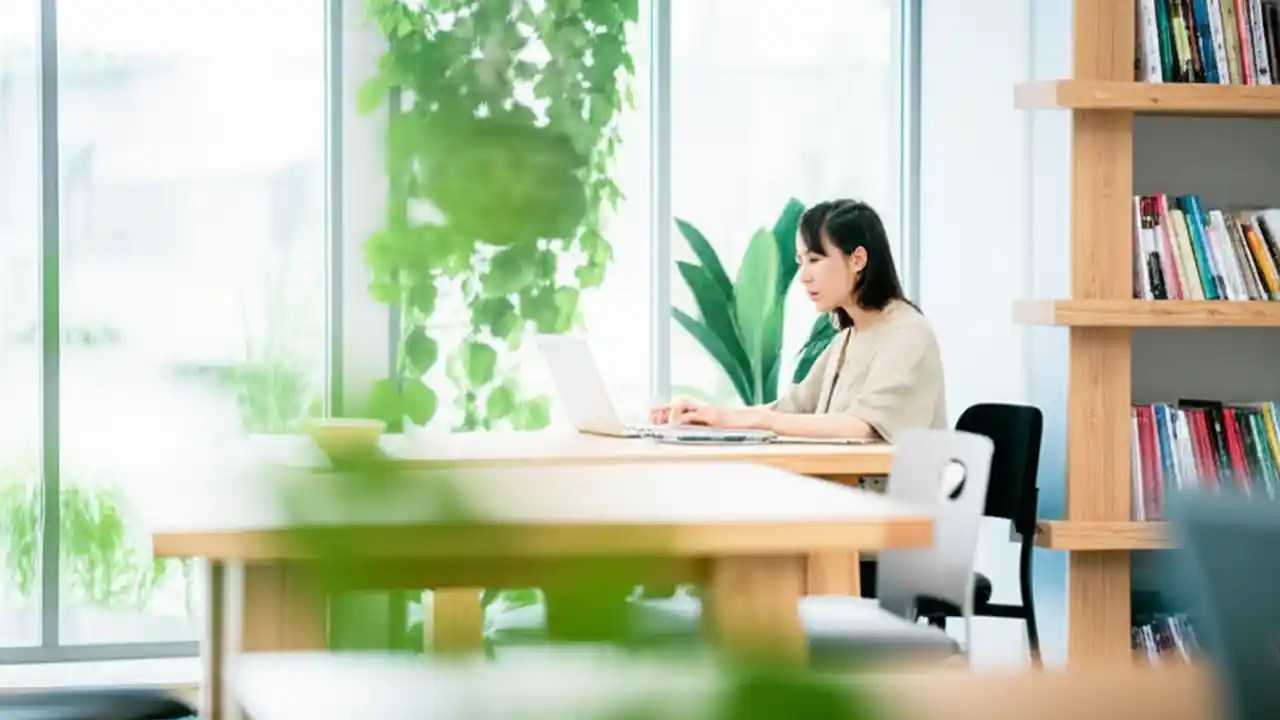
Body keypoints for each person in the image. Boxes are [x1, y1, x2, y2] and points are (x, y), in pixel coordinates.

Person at [651, 198, 947, 444]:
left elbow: (862, 427)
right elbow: (794, 409)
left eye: (815, 260)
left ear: (857, 260)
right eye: (800, 261)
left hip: (895, 508)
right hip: (848, 499)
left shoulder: (908, 334)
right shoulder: (847, 338)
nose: (804, 276)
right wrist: (711, 417)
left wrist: (749, 419)